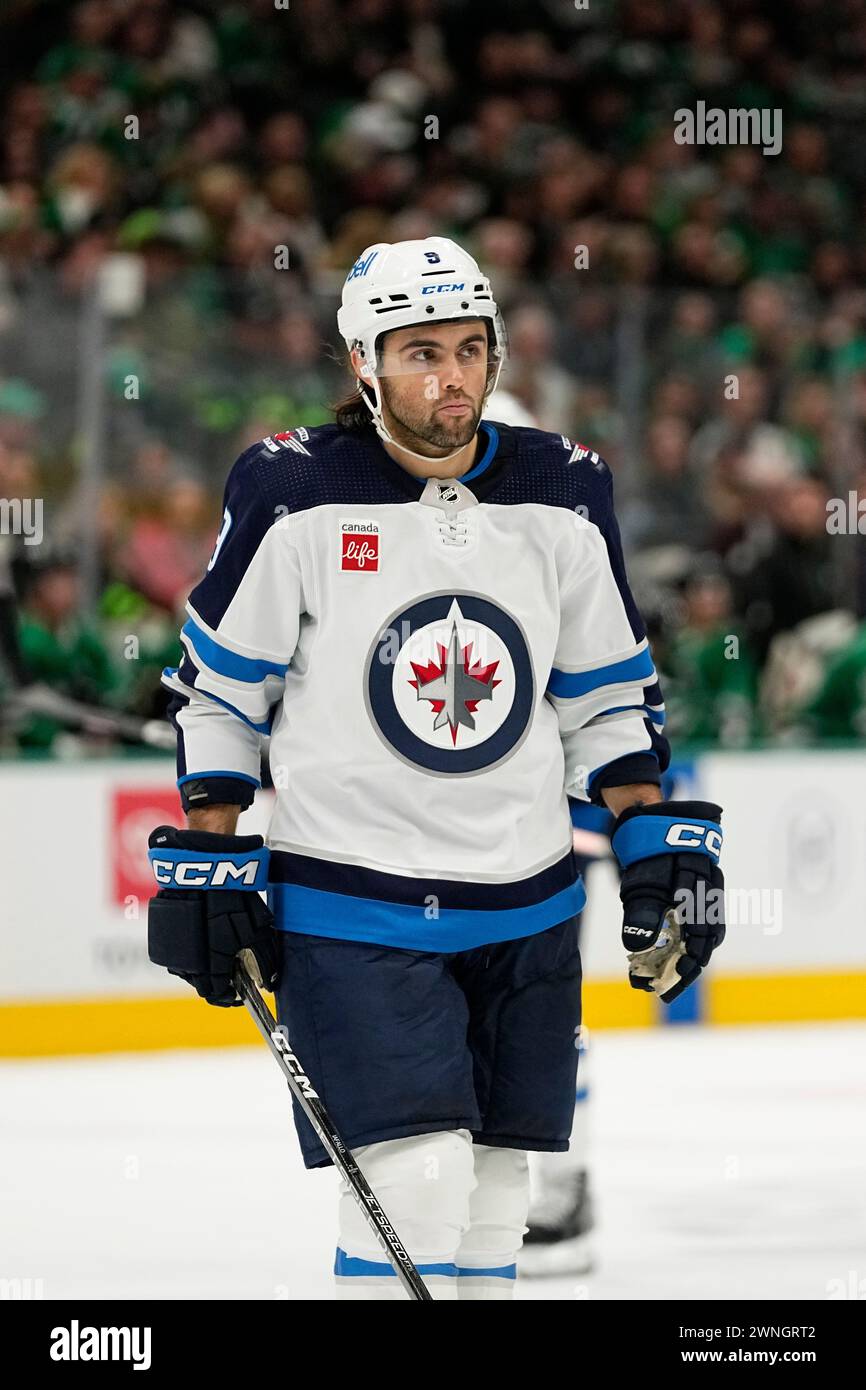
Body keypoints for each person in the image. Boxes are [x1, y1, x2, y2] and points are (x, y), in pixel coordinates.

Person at [147, 237, 726, 1301]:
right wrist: (207, 854)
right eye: (420, 352)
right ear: (363, 362)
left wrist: (652, 844)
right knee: (413, 1180)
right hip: (353, 905)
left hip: (528, 904)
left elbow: (605, 699)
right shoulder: (293, 489)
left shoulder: (564, 486)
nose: (450, 377)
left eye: (469, 348)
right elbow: (223, 693)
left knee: (496, 1198)